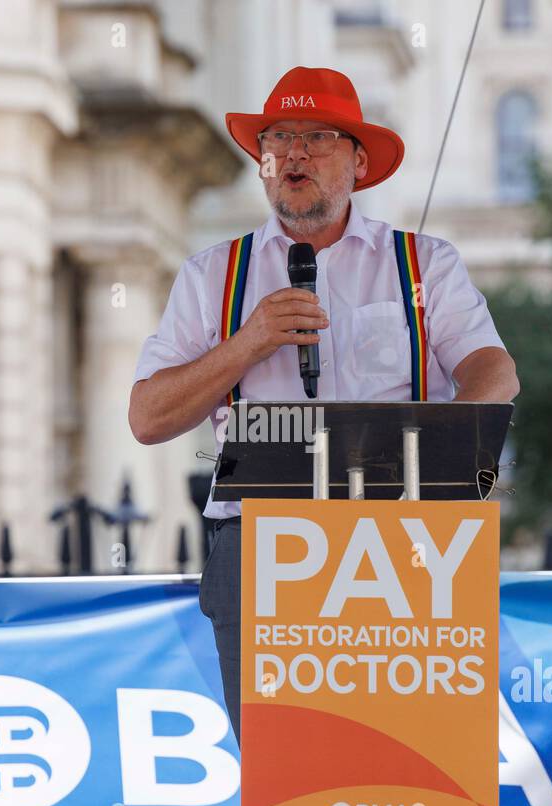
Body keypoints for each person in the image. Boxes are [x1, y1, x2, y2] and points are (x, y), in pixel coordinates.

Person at [129, 66, 519, 741]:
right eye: (278, 140)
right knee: (286, 780)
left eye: (316, 138)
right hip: (259, 549)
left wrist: (444, 451)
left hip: (399, 544)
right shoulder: (210, 276)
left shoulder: (424, 264)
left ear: (359, 161)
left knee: (403, 761)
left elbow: (495, 371)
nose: (294, 155)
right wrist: (247, 342)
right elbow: (147, 416)